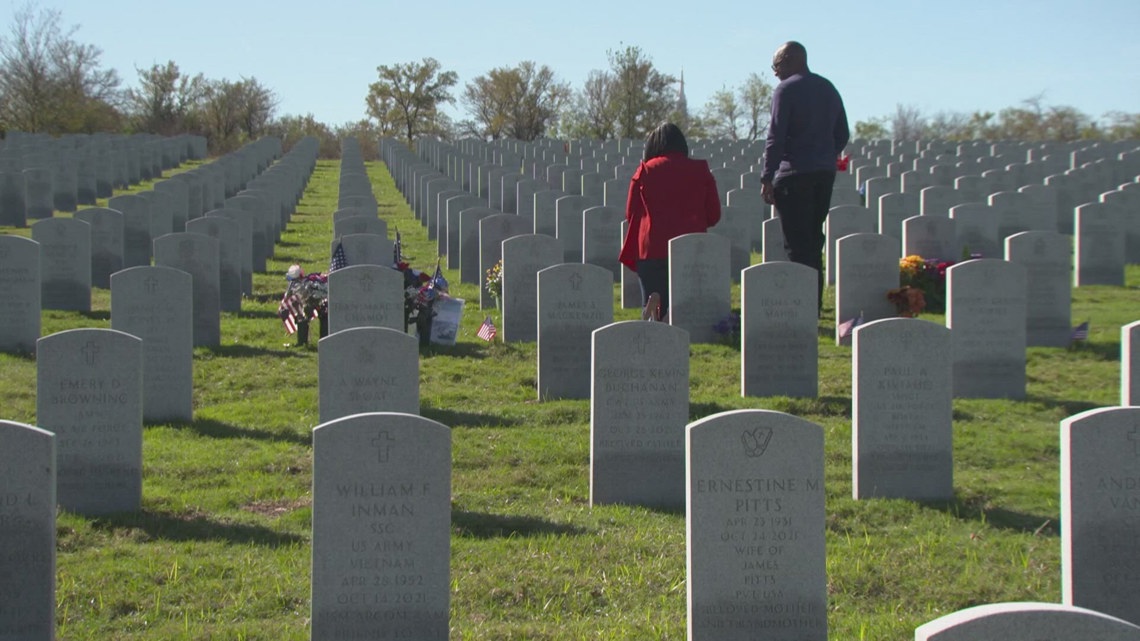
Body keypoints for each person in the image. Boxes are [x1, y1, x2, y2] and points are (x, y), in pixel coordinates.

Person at [760, 41, 850, 314]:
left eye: (776, 65)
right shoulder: (828, 88)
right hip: (823, 174)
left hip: (794, 175)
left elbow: (775, 136)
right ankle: (814, 303)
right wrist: (824, 154)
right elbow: (842, 133)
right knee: (813, 240)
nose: (775, 72)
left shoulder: (785, 90)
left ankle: (803, 308)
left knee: (797, 245)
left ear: (791, 59)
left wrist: (767, 176)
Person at [619, 122, 721, 321]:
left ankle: (655, 304)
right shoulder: (701, 170)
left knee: (654, 314)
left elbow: (630, 214)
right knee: (686, 308)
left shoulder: (645, 170)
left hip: (652, 248)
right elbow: (714, 214)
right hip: (690, 248)